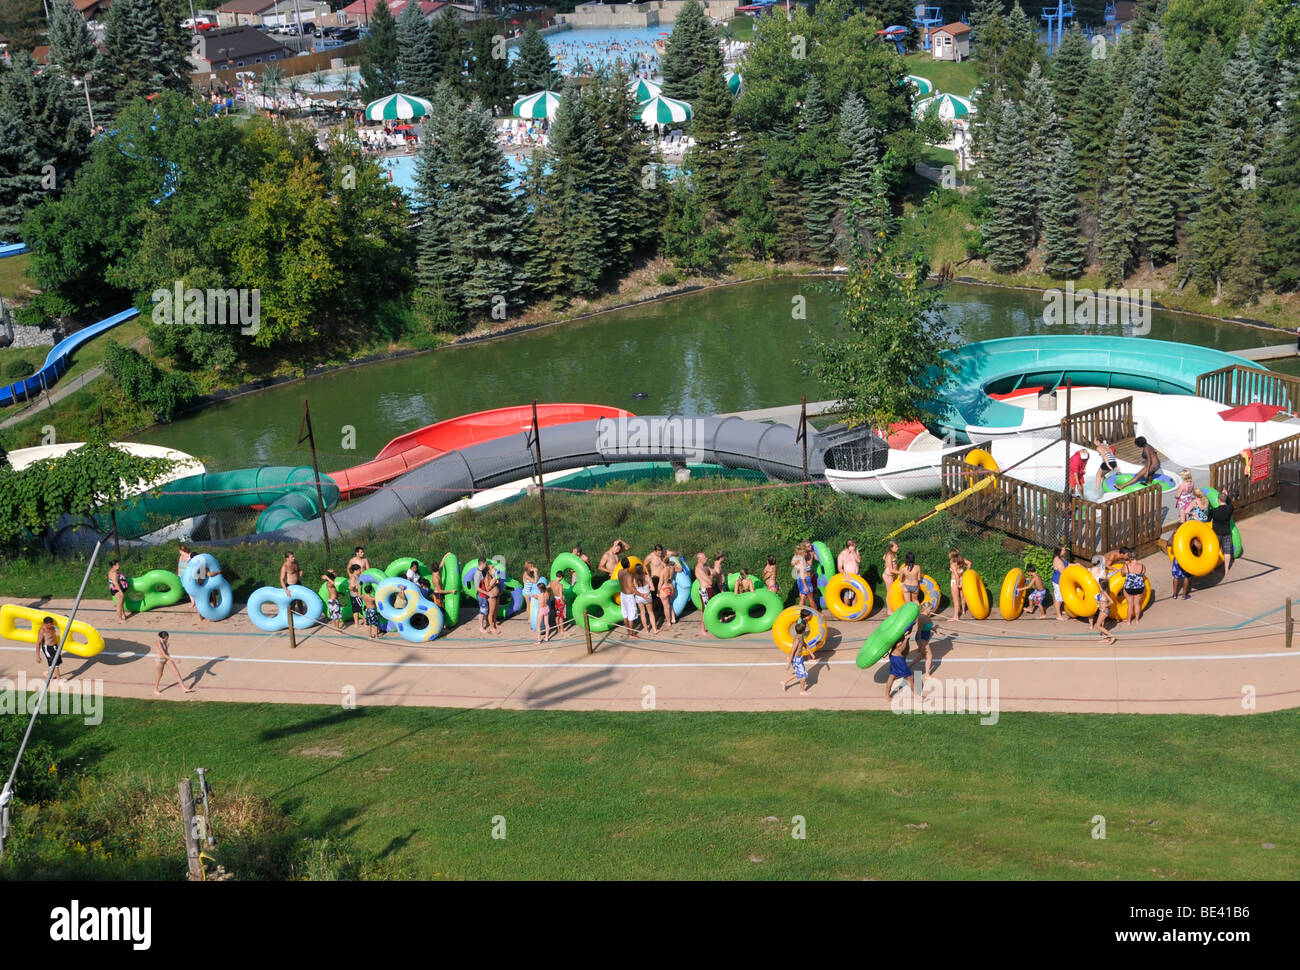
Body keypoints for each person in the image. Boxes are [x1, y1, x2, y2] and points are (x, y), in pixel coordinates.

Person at [153, 631, 195, 695]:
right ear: (161, 638)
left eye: (167, 638)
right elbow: (163, 654)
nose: (167, 639)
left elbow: (166, 653)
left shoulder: (166, 642)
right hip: (160, 660)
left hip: (167, 659)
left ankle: (183, 688)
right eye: (166, 638)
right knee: (160, 675)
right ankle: (155, 689)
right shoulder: (158, 642)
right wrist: (174, 659)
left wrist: (170, 658)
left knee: (176, 672)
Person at [1208, 487, 1236, 577]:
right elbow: (1231, 505)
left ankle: (1212, 568)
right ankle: (1226, 569)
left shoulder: (1214, 511)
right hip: (1226, 532)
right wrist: (1227, 496)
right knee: (1227, 552)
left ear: (1218, 500)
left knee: (1215, 550)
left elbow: (1208, 519)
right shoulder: (1229, 509)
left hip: (1216, 533)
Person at [780, 621, 813, 695]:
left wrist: (810, 652)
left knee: (798, 673)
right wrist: (789, 663)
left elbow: (804, 644)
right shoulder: (797, 640)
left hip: (799, 658)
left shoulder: (801, 637)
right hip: (796, 659)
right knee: (804, 675)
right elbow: (792, 651)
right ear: (804, 630)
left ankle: (784, 682)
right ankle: (802, 691)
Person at [1089, 566, 1118, 643]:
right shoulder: (1105, 590)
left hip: (1104, 611)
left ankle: (1112, 636)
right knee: (1101, 625)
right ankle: (1105, 638)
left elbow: (1111, 601)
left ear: (1101, 585)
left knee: (1098, 626)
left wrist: (1105, 605)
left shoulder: (1104, 592)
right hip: (1102, 610)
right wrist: (1099, 603)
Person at [884, 630, 916, 700]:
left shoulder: (895, 632)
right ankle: (917, 696)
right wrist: (906, 639)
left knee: (892, 676)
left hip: (893, 656)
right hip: (898, 659)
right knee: (910, 678)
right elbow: (901, 648)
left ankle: (887, 696)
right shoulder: (898, 637)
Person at [1119, 551, 1147, 625]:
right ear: (1137, 557)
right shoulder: (1142, 566)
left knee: (1130, 604)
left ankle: (1129, 621)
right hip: (1139, 587)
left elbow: (1122, 574)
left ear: (1129, 558)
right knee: (1137, 604)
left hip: (1129, 587)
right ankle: (1137, 620)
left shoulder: (1126, 566)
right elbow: (1143, 574)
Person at [907, 613, 936, 679]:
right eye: (930, 608)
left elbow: (929, 626)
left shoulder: (927, 616)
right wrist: (920, 644)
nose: (931, 610)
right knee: (929, 656)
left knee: (922, 655)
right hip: (922, 638)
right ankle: (927, 675)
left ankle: (909, 666)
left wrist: (934, 629)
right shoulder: (922, 618)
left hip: (925, 637)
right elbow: (919, 631)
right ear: (927, 609)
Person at [617, 557, 641, 637]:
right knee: (631, 615)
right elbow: (632, 589)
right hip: (629, 596)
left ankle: (628, 631)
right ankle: (632, 634)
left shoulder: (619, 572)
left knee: (625, 614)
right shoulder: (629, 575)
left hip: (622, 594)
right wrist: (641, 594)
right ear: (629, 564)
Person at [947, 548, 972, 621]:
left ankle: (955, 617)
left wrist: (958, 584)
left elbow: (956, 575)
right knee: (962, 596)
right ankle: (963, 611)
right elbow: (970, 563)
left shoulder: (952, 564)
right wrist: (966, 572)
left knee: (955, 600)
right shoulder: (962, 560)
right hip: (962, 579)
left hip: (955, 581)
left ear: (951, 555)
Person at [791, 545, 818, 613]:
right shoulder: (802, 563)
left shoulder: (799, 559)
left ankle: (798, 613)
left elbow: (792, 562)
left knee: (802, 598)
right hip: (805, 581)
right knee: (811, 599)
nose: (807, 553)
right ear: (803, 554)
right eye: (806, 552)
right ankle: (817, 613)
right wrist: (806, 586)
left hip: (801, 581)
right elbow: (803, 575)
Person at [36, 616, 63, 682]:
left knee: (58, 662)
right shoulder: (42, 630)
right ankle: (59, 681)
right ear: (45, 624)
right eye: (50, 624)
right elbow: (38, 643)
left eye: (52, 623)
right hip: (48, 648)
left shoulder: (52, 627)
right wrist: (37, 656)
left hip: (55, 646)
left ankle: (47, 673)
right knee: (55, 664)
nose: (51, 625)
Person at [633, 562, 658, 633]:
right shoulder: (647, 577)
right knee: (650, 612)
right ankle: (655, 630)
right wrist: (646, 593)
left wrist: (642, 594)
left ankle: (646, 630)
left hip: (639, 597)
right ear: (642, 569)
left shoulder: (634, 579)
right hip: (648, 597)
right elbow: (653, 589)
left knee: (642, 613)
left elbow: (634, 590)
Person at [695, 552, 715, 637]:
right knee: (705, 610)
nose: (706, 558)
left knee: (710, 607)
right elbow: (710, 581)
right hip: (705, 590)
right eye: (704, 557)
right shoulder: (699, 569)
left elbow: (714, 571)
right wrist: (712, 576)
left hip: (709, 589)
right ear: (700, 559)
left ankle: (711, 625)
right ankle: (702, 630)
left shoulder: (705, 566)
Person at [1051, 545, 1069, 621]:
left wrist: (1076, 565)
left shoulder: (1061, 558)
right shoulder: (1057, 560)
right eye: (1063, 550)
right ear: (1059, 551)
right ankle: (1058, 615)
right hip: (1058, 581)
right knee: (1059, 598)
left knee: (1060, 597)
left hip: (1060, 580)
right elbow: (1064, 572)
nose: (1065, 551)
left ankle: (1060, 611)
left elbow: (1067, 565)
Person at [178, 544, 198, 612]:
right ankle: (193, 602)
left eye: (180, 550)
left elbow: (194, 564)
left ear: (182, 550)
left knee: (192, 587)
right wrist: (179, 574)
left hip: (189, 574)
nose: (179, 552)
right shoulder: (181, 557)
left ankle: (197, 601)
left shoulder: (190, 555)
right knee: (187, 589)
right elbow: (179, 566)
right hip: (183, 575)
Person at [483, 564, 502, 635]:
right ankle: (491, 627)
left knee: (496, 610)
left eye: (494, 567)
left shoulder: (495, 576)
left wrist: (497, 581)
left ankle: (494, 624)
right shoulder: (486, 578)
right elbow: (487, 589)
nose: (494, 569)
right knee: (491, 612)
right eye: (492, 568)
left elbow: (498, 582)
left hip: (497, 595)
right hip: (492, 597)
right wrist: (493, 584)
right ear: (488, 570)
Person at [882, 541, 900, 614]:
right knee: (890, 593)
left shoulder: (893, 554)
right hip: (888, 576)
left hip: (892, 575)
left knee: (893, 592)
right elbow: (891, 570)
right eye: (896, 547)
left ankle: (892, 608)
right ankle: (889, 611)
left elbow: (883, 557)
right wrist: (901, 572)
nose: (898, 548)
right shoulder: (889, 555)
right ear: (891, 547)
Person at [347, 565, 366, 629]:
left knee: (356, 610)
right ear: (356, 570)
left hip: (355, 595)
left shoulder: (357, 576)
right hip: (356, 596)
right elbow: (351, 587)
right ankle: (365, 623)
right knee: (361, 609)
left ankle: (356, 624)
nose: (360, 571)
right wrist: (358, 585)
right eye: (359, 570)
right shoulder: (353, 577)